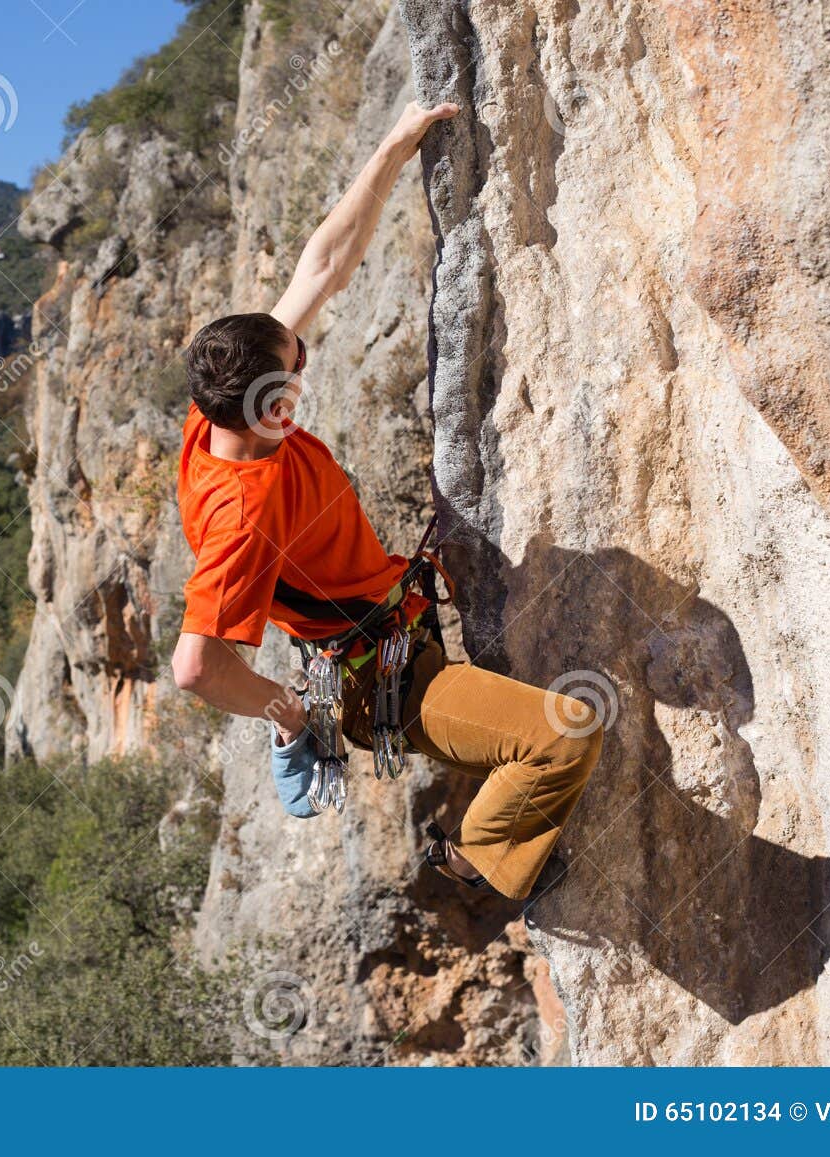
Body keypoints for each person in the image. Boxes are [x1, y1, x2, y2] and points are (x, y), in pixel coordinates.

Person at [170, 101, 600, 902]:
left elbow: (321, 268)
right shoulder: (243, 512)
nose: (304, 357)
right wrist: (289, 713)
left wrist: (393, 151)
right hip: (381, 685)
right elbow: (194, 665)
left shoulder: (220, 404)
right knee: (563, 738)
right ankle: (470, 861)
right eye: (294, 368)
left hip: (396, 627)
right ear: (274, 410)